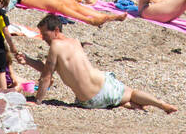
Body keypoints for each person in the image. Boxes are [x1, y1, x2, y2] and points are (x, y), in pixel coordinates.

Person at [24, 15, 176, 112]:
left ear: (56, 30)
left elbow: (46, 76)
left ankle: (129, 105)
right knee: (131, 92)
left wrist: (38, 101)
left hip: (89, 102)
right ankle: (161, 105)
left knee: (129, 95)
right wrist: (27, 60)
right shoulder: (75, 42)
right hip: (102, 89)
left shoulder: (55, 46)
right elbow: (48, 72)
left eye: (45, 34)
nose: (43, 38)